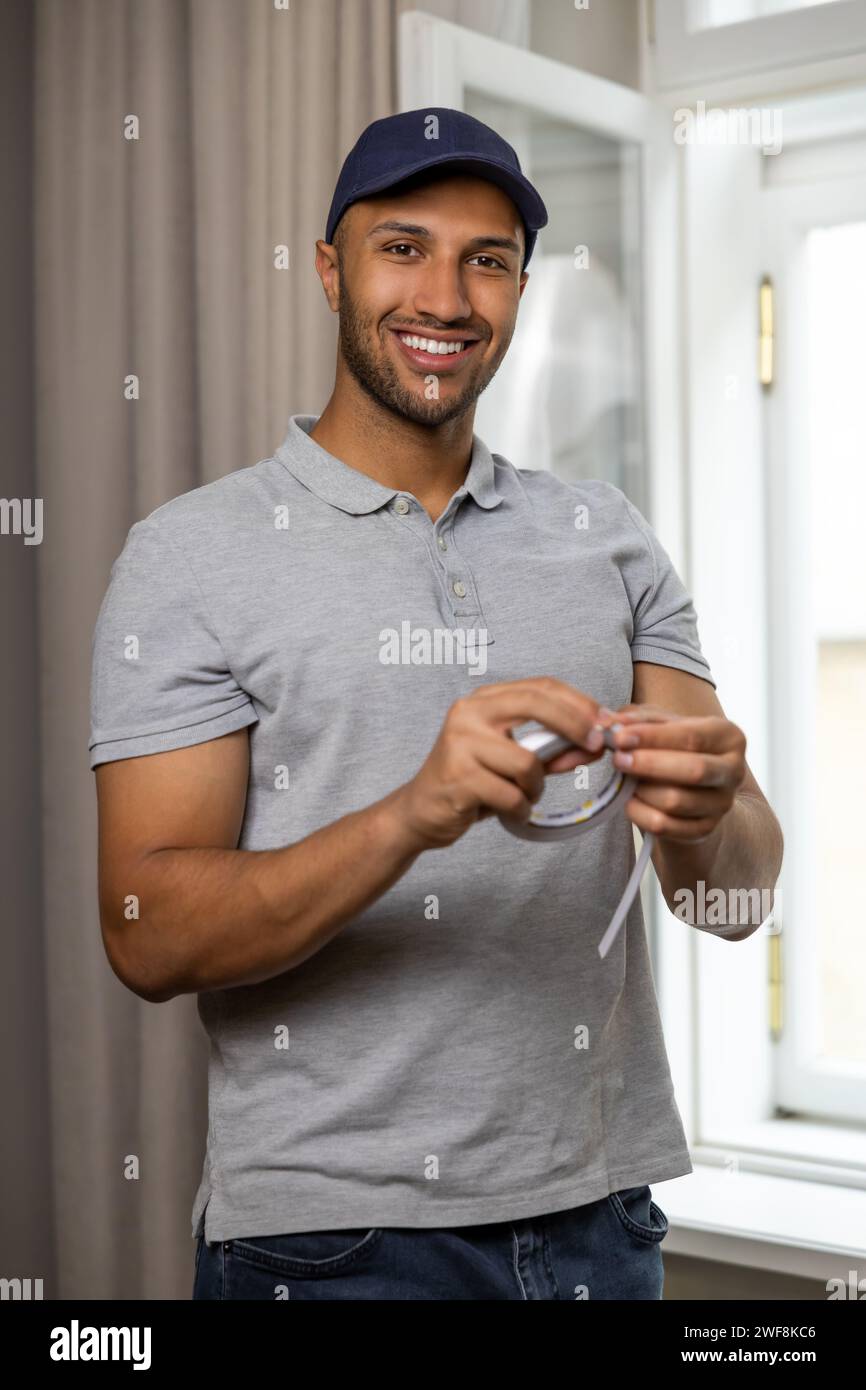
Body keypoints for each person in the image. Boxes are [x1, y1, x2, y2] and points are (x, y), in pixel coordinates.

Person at [89, 108, 783, 1301]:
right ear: (329, 269)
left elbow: (734, 898)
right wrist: (413, 812)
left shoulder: (603, 538)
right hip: (327, 1246)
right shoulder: (190, 555)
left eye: (487, 260)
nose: (446, 299)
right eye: (401, 248)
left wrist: (706, 811)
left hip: (599, 1224)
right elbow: (147, 933)